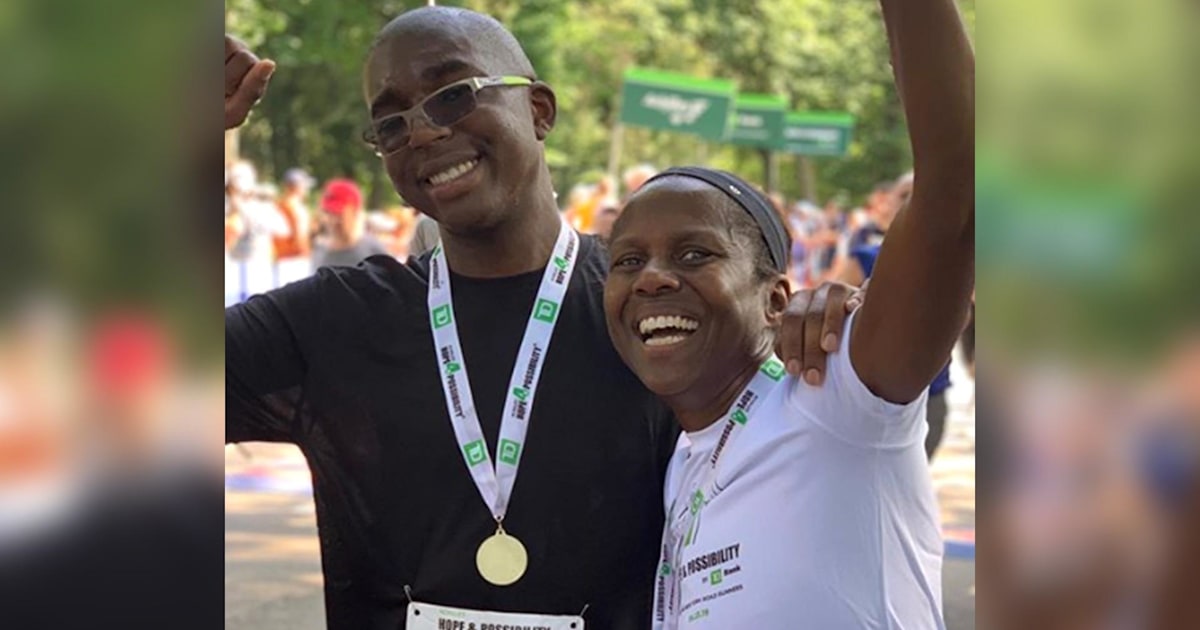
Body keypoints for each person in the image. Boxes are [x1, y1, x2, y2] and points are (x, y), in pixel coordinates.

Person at [224, 11, 858, 629]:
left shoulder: (653, 305)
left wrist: (827, 322)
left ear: (539, 110)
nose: (421, 132)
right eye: (391, 123)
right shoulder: (335, 324)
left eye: (452, 96)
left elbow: (813, 402)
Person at [602, 0, 973, 625]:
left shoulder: (835, 394)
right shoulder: (685, 466)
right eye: (628, 261)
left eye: (694, 253)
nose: (653, 279)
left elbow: (957, 195)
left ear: (775, 298)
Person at [311, 178, 390, 270]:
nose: (332, 220)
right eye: (328, 212)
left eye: (339, 214)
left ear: (355, 212)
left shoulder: (373, 252)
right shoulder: (320, 250)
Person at [274, 168, 315, 284]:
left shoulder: (279, 205)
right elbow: (300, 238)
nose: (307, 189)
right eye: (305, 185)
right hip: (295, 261)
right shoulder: (295, 208)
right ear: (296, 186)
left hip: (282, 259)